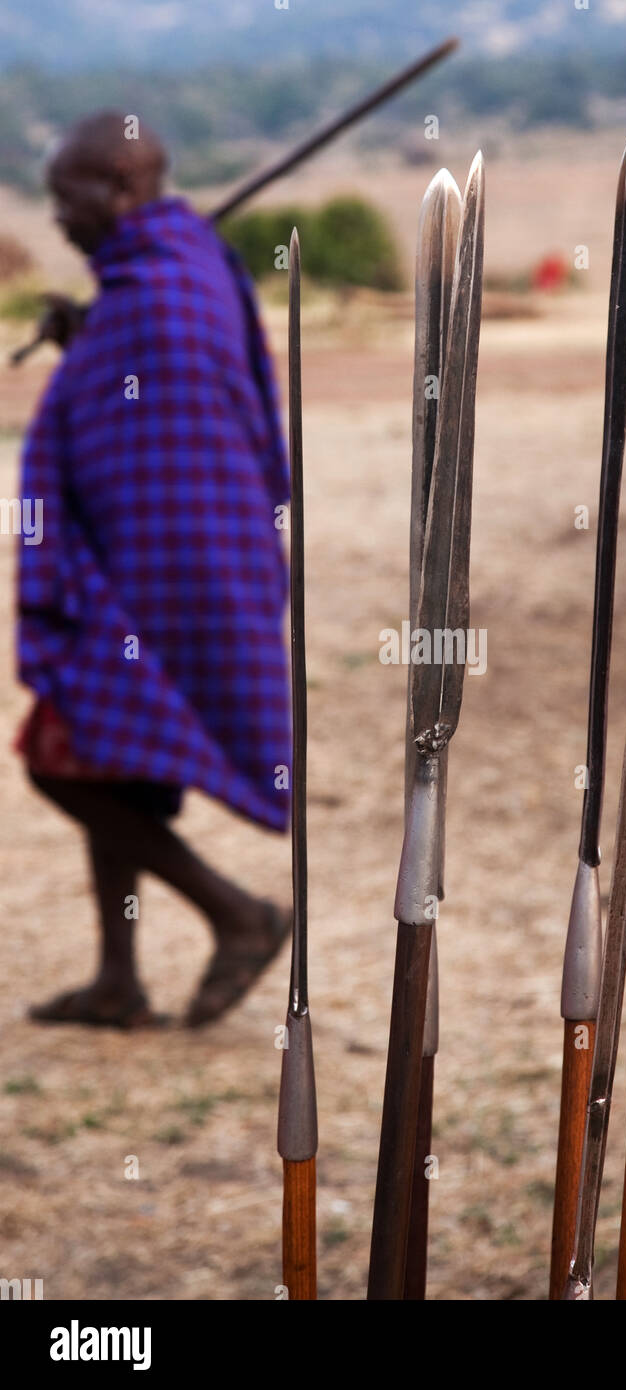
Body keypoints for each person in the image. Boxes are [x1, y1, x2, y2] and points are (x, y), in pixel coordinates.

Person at [16, 111, 292, 1029]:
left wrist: (98, 341)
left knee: (61, 763)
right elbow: (125, 400)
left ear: (123, 187)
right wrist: (89, 337)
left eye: (68, 197)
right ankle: (118, 980)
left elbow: (159, 437)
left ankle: (239, 914)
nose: (58, 218)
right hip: (156, 567)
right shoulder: (170, 273)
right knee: (105, 764)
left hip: (164, 576)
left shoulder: (159, 294)